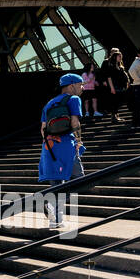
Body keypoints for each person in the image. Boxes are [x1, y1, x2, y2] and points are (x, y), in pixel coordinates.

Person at [39, 74, 86, 229]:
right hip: (67, 144)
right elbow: (74, 122)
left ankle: (55, 220)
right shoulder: (73, 99)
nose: (82, 88)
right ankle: (51, 205)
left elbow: (43, 129)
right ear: (71, 85)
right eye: (80, 84)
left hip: (49, 148)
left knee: (56, 183)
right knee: (79, 178)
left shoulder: (49, 104)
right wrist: (78, 141)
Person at [99, 49, 128, 121]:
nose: (120, 57)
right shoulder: (107, 63)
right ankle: (114, 115)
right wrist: (104, 81)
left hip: (120, 85)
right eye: (118, 55)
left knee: (118, 100)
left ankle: (115, 114)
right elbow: (105, 74)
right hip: (112, 85)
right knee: (114, 100)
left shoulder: (119, 64)